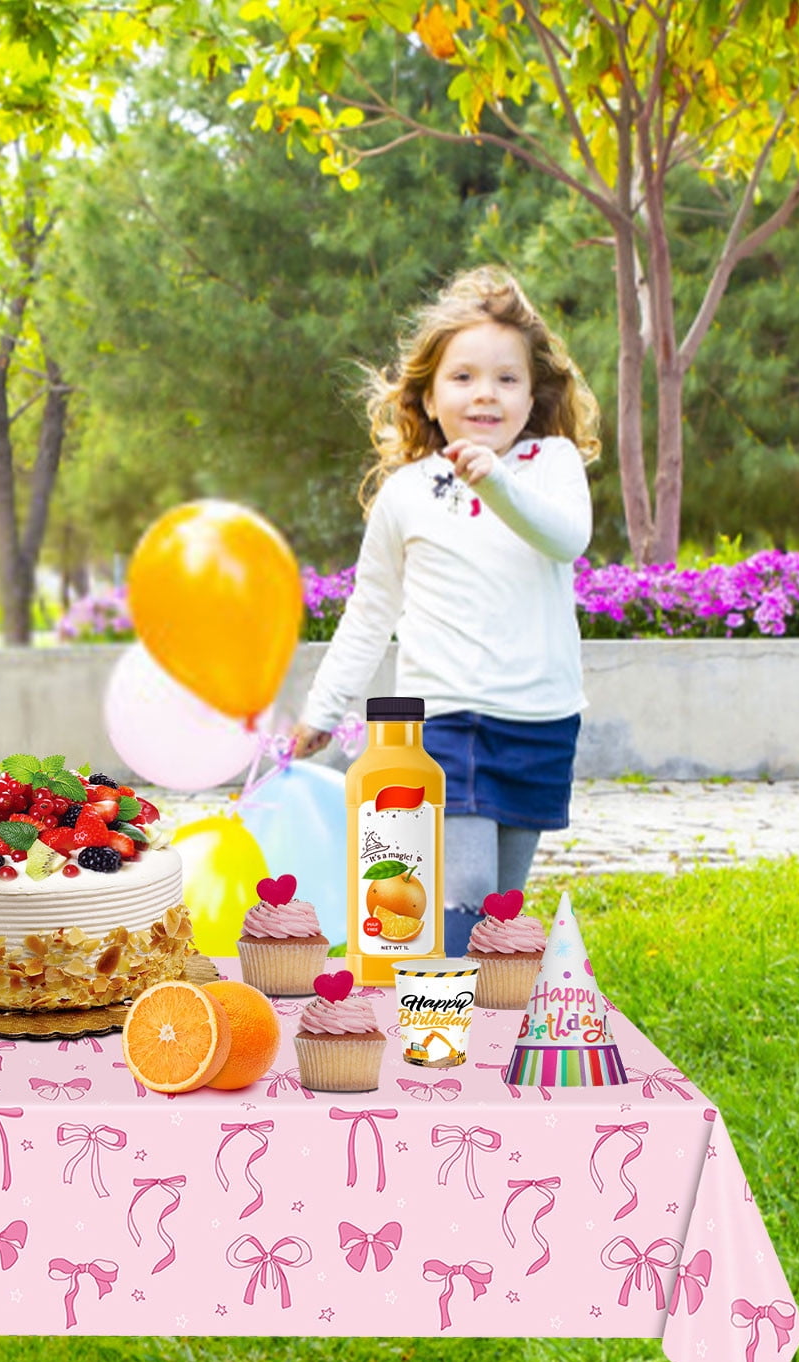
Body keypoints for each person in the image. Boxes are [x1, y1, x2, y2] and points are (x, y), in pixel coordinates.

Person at [294, 266, 601, 956]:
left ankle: (480, 1035)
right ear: (429, 396)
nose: (485, 393)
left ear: (533, 393)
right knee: (459, 903)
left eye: (506, 378)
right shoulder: (408, 492)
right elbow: (371, 610)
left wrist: (498, 482)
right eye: (463, 377)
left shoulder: (550, 464)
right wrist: (323, 708)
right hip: (446, 720)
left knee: (500, 910)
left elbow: (567, 538)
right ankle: (436, 1038)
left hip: (542, 720)